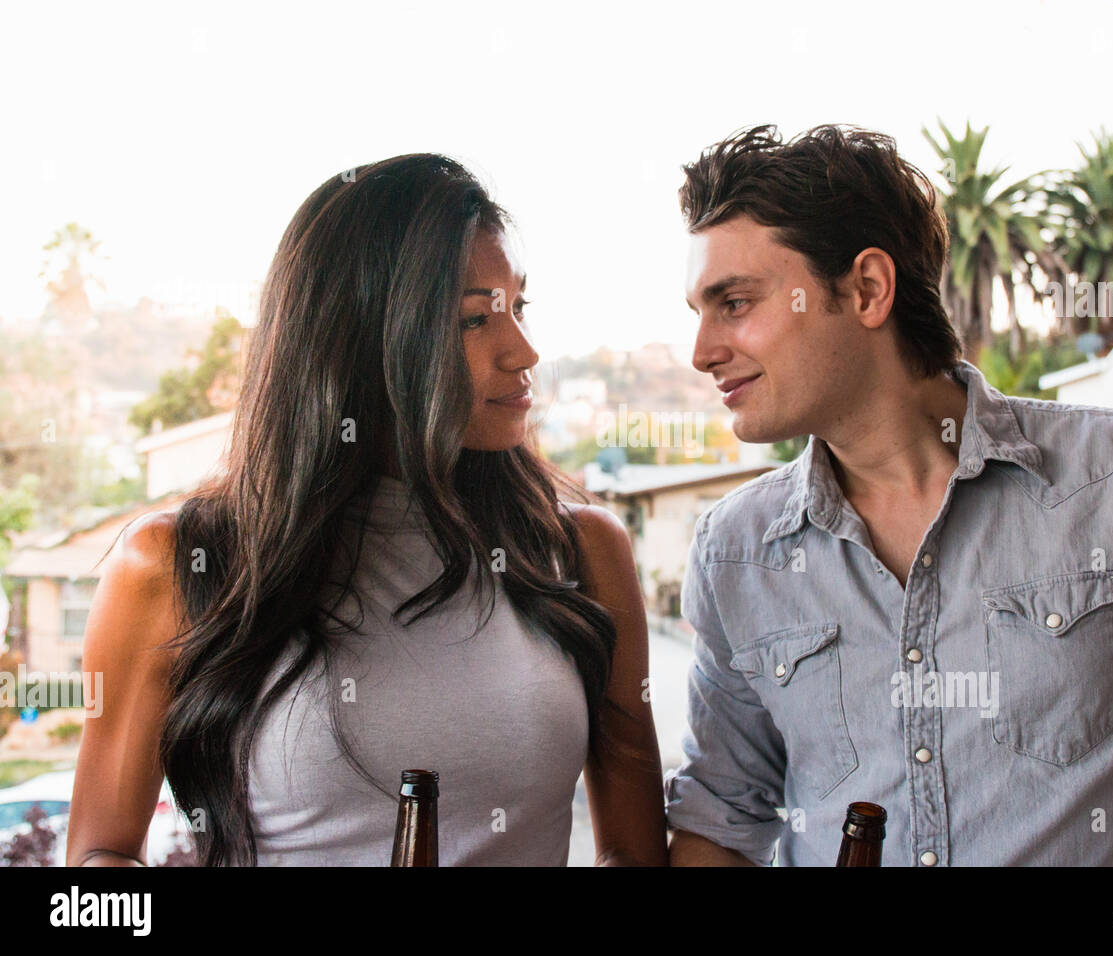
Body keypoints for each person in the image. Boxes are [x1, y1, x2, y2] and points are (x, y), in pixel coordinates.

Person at [666, 123, 1113, 866]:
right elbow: (723, 819)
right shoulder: (736, 555)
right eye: (699, 314)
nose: (703, 351)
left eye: (734, 303)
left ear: (867, 288)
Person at [67, 154, 667, 866]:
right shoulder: (178, 564)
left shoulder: (581, 551)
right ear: (359, 342)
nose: (525, 351)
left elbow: (635, 857)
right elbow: (97, 867)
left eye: (518, 307)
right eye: (475, 319)